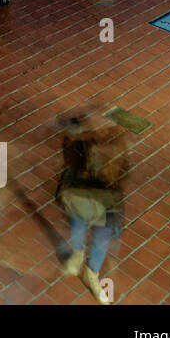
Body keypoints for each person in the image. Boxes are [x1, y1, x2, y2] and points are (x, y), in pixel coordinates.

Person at [56, 119, 128, 305]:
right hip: (81, 190)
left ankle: (92, 273)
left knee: (101, 236)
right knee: (77, 221)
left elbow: (122, 169)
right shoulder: (78, 143)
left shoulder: (113, 143)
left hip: (106, 197)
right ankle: (78, 254)